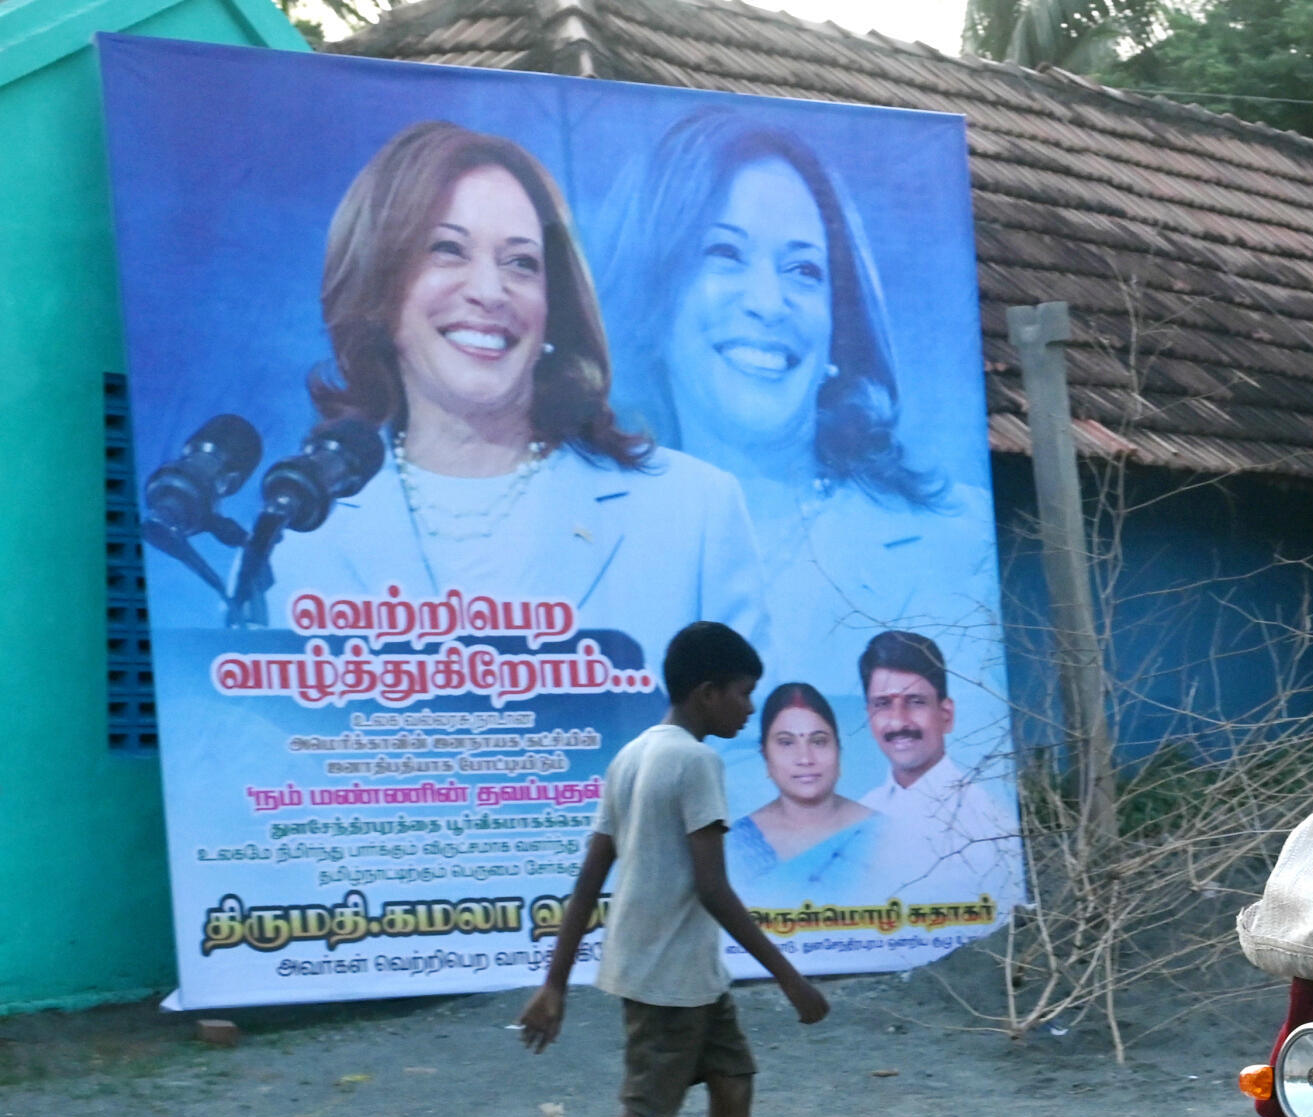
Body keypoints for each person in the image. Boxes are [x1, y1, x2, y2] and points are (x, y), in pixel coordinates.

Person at [451, 622, 831, 1117]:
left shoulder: (632, 756)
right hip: (669, 975)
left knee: (734, 1081)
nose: (750, 710)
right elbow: (713, 887)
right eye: (744, 694)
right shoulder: (693, 763)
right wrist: (789, 975)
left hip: (677, 969)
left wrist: (556, 980)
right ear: (707, 691)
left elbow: (592, 869)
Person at [273, 121, 762, 653]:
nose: (489, 292)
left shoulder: (696, 512)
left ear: (554, 308)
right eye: (447, 249)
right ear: (379, 285)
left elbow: (748, 734)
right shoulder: (305, 534)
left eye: (522, 263)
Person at [597, 108, 990, 669]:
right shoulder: (575, 540)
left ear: (839, 323)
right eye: (725, 254)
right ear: (653, 296)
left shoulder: (956, 538)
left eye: (803, 270)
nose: (768, 302)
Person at [854, 630, 1018, 901]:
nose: (898, 722)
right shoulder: (860, 820)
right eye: (883, 704)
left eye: (915, 702)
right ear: (868, 718)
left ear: (946, 715)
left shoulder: (992, 824)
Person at [725, 681, 886, 885]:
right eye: (786, 742)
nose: (805, 758)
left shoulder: (884, 834)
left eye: (818, 741)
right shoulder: (738, 845)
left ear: (839, 750)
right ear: (765, 755)